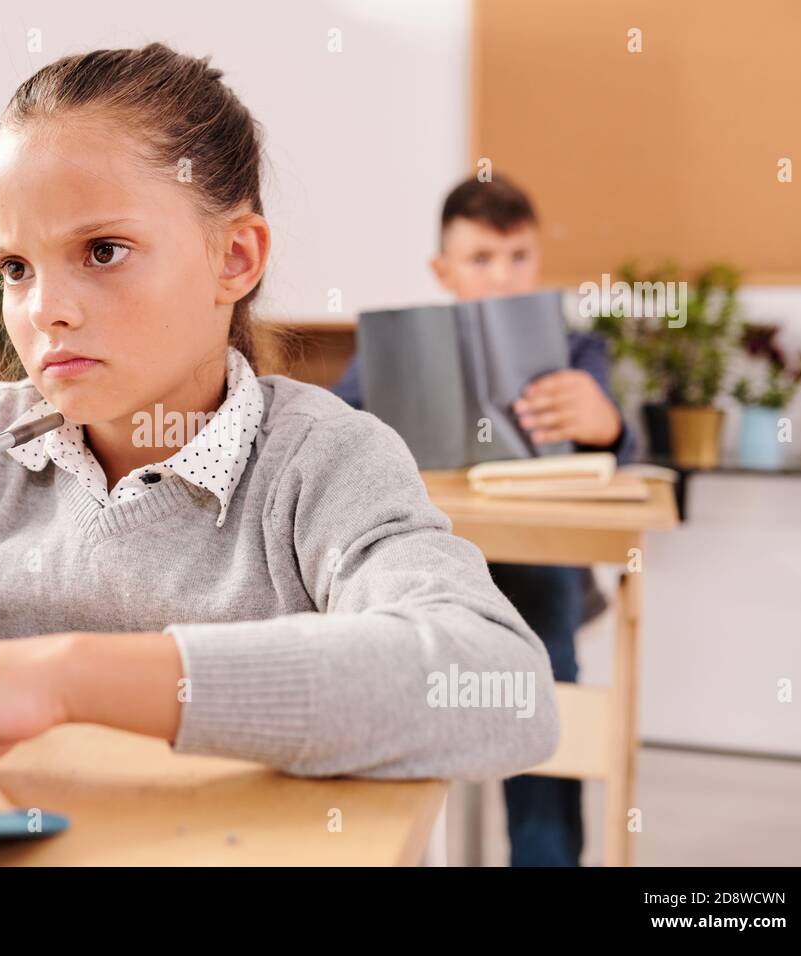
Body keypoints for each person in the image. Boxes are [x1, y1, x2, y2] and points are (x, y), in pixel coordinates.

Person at [0, 45, 557, 784]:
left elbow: (497, 684)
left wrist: (60, 678)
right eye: (15, 268)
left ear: (235, 259)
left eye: (104, 250)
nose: (45, 310)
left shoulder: (324, 461)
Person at [331, 175, 634, 866]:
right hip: (430, 556)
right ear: (443, 271)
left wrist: (606, 424)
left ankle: (545, 857)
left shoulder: (576, 350)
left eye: (518, 256)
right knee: (379, 644)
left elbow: (621, 444)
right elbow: (333, 426)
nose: (502, 276)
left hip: (536, 565)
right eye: (481, 259)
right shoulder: (398, 348)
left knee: (543, 670)